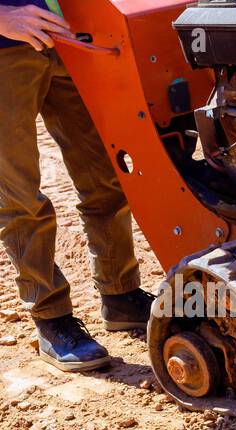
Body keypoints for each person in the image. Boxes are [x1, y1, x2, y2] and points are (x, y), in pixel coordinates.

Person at [0, 1, 154, 373]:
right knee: (20, 195)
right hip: (5, 48)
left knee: (106, 178)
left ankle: (121, 294)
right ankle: (51, 317)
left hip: (72, 36)